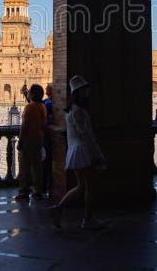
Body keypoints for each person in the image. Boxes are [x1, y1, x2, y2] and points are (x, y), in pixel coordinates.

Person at [48, 75, 107, 230]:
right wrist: (97, 154)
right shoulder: (79, 111)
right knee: (89, 186)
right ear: (78, 92)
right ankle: (87, 219)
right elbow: (85, 134)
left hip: (75, 150)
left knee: (81, 186)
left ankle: (58, 209)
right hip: (82, 151)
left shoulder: (71, 110)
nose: (87, 92)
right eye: (84, 90)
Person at [15, 84, 48, 201]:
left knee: (24, 167)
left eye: (29, 93)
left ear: (33, 94)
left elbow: (24, 126)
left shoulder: (29, 107)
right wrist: (26, 93)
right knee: (37, 167)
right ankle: (37, 191)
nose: (27, 94)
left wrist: (20, 141)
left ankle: (24, 191)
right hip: (39, 139)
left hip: (28, 140)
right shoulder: (42, 106)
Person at [42, 84, 55, 195]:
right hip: (47, 136)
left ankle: (47, 184)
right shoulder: (47, 102)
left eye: (47, 89)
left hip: (47, 137)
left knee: (46, 161)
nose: (45, 90)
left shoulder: (49, 103)